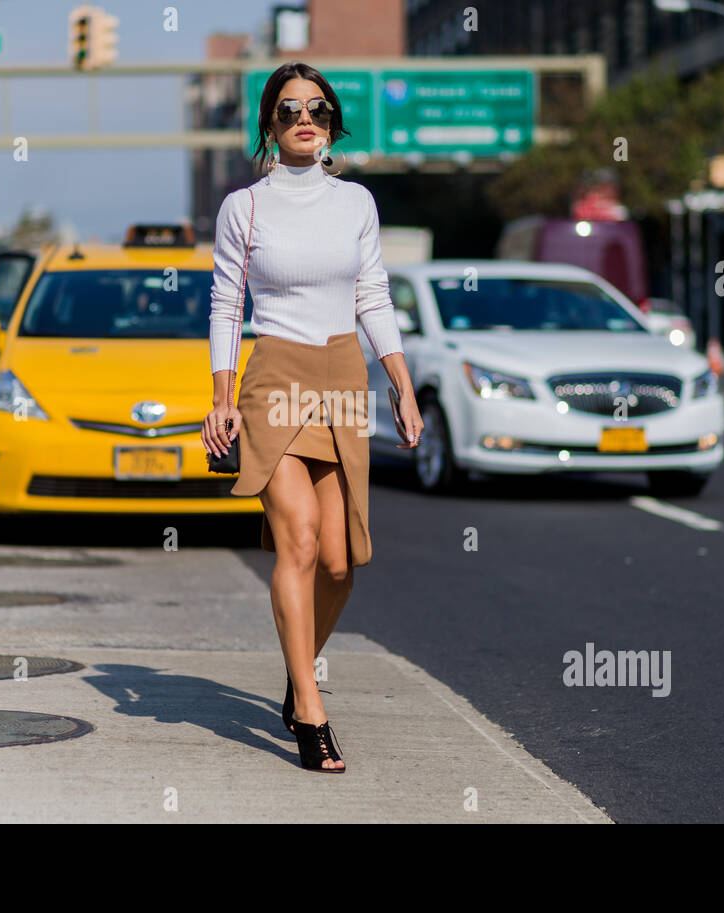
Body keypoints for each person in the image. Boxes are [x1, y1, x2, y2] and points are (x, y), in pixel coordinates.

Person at [201, 62, 424, 773]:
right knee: (295, 538)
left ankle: (298, 673)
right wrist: (220, 395)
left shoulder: (356, 202)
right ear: (268, 123)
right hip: (274, 376)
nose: (307, 118)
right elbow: (226, 306)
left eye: (320, 109)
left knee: (338, 559)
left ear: (332, 124)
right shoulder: (246, 208)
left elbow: (373, 293)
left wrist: (401, 380)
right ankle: (310, 706)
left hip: (341, 376)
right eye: (291, 108)